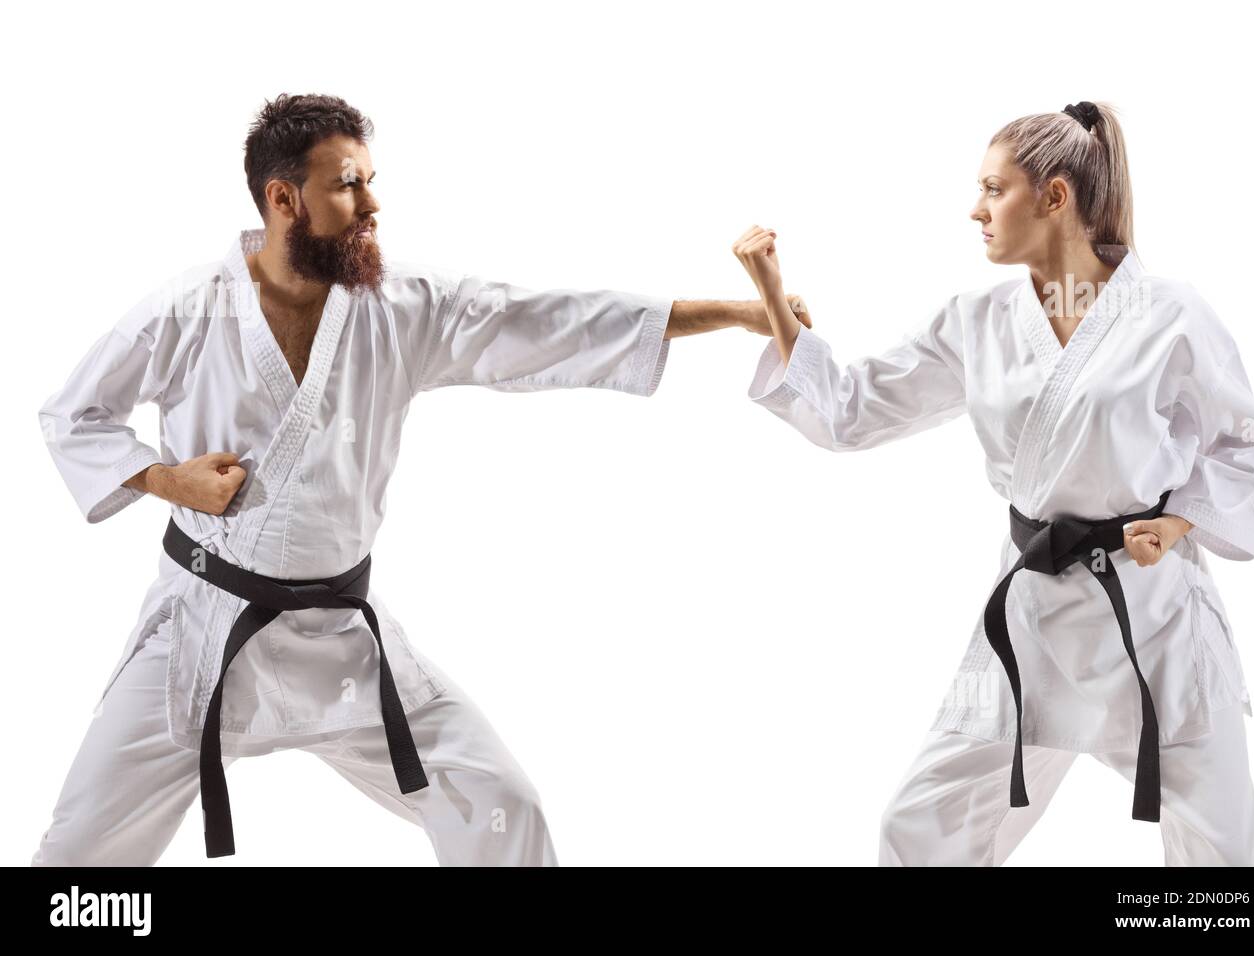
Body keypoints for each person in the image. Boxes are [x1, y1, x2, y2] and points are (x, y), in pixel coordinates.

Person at [31, 92, 809, 866]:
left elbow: (545, 318)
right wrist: (172, 482)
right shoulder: (187, 311)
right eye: (348, 185)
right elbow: (73, 415)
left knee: (504, 806)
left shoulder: (400, 306)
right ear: (283, 199)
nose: (373, 202)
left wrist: (739, 314)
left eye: (369, 179)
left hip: (342, 642)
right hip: (202, 638)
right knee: (76, 858)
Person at [731, 101, 1254, 866]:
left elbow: (1245, 438)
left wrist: (1182, 519)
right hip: (1031, 622)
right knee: (919, 827)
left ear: (1055, 198)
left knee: (1221, 861)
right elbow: (852, 411)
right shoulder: (976, 322)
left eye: (994, 190)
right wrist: (772, 300)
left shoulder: (1169, 315)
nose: (975, 209)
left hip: (1154, 625)